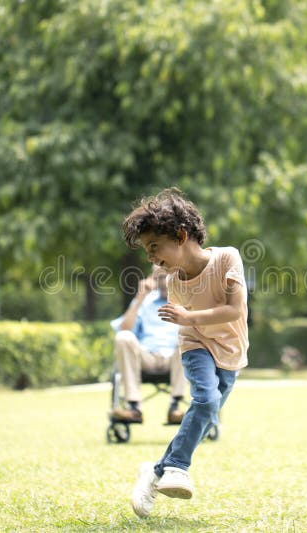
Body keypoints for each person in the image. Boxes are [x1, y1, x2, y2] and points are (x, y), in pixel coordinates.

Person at [121, 187, 249, 518]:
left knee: (205, 414)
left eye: (153, 247)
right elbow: (187, 324)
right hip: (195, 345)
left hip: (230, 351)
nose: (150, 257)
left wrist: (189, 316)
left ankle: (156, 471)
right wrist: (188, 321)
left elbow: (234, 310)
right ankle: (178, 466)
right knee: (206, 401)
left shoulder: (227, 258)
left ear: (180, 235)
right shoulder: (175, 280)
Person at [110, 267, 186, 425]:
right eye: (159, 278)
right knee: (123, 337)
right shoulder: (144, 301)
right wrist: (139, 299)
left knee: (186, 340)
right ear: (154, 280)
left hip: (176, 358)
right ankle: (134, 407)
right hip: (146, 357)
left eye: (168, 277)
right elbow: (124, 329)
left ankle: (175, 406)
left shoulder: (187, 299)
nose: (164, 282)